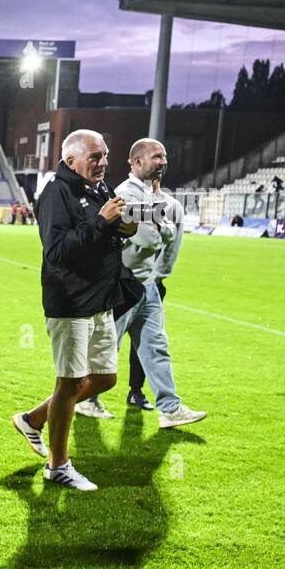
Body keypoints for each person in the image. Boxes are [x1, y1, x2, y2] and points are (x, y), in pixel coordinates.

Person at [10, 129, 137, 491]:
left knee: (105, 377)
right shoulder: (56, 192)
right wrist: (101, 221)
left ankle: (33, 419)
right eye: (95, 157)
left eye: (105, 155)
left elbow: (100, 238)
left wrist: (120, 228)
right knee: (69, 383)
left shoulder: (97, 190)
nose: (103, 163)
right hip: (71, 301)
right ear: (71, 161)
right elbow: (58, 252)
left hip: (100, 299)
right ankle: (58, 465)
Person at [109, 138, 206, 428]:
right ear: (137, 161)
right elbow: (150, 238)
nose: (163, 162)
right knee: (105, 348)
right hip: (124, 284)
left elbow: (162, 234)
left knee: (155, 346)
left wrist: (159, 230)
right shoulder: (125, 194)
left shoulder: (156, 199)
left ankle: (170, 408)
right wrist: (161, 229)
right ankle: (83, 400)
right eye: (156, 157)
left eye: (164, 156)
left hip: (148, 285)